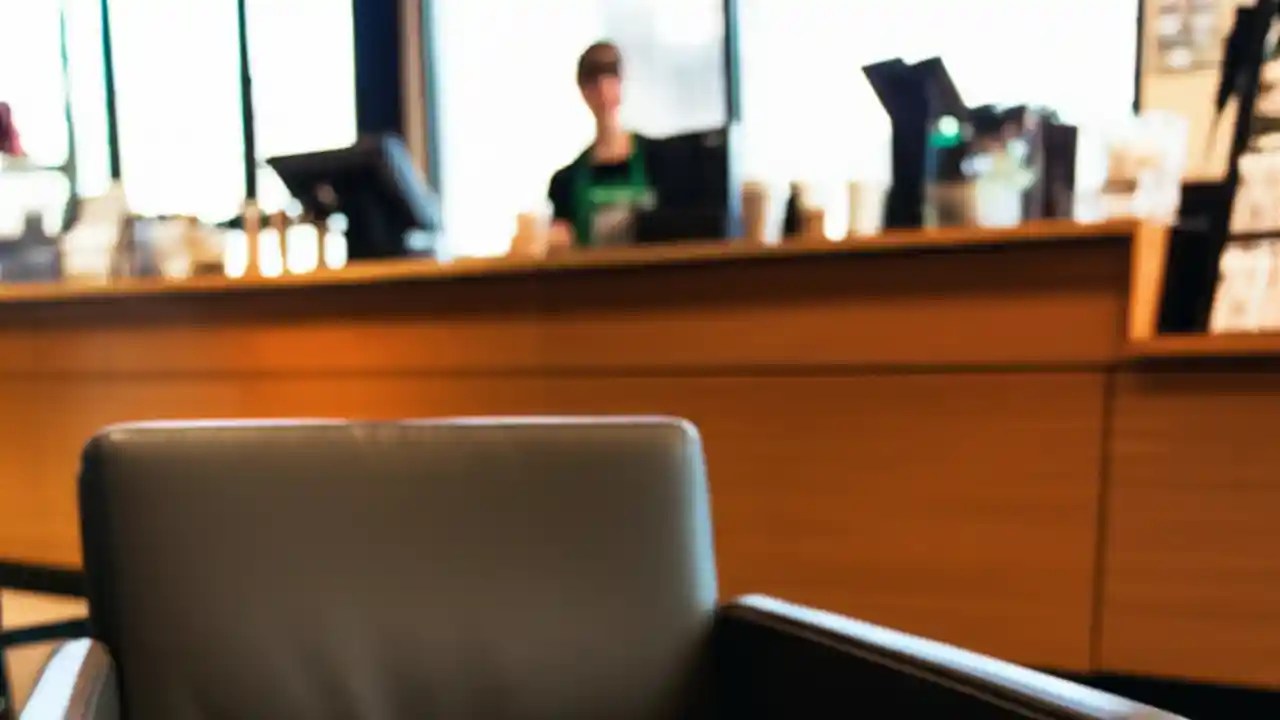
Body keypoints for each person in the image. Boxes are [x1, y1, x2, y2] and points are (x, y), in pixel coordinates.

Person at [547, 42, 658, 249]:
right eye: (593, 81)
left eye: (610, 77)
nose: (603, 89)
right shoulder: (566, 181)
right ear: (583, 91)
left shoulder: (659, 161)